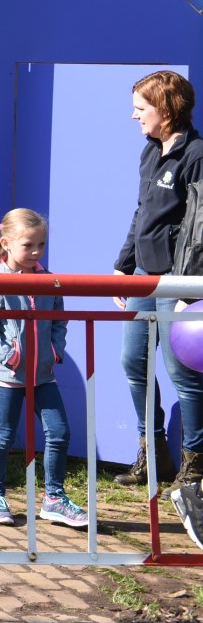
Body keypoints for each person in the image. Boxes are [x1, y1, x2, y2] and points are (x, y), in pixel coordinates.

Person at [0, 208, 88, 528]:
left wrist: (54, 351)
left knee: (60, 432)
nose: (36, 251)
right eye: (28, 245)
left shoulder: (48, 279)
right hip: (6, 377)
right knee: (4, 435)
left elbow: (59, 321)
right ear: (6, 243)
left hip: (43, 376)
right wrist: (11, 356)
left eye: (41, 244)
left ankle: (54, 498)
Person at [115, 70, 203, 487]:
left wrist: (189, 285)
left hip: (177, 279)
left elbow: (198, 225)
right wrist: (123, 264)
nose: (134, 117)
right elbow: (142, 213)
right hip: (144, 278)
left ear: (166, 110)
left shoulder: (197, 154)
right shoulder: (150, 152)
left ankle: (195, 463)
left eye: (140, 108)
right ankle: (153, 454)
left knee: (182, 371)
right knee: (133, 362)